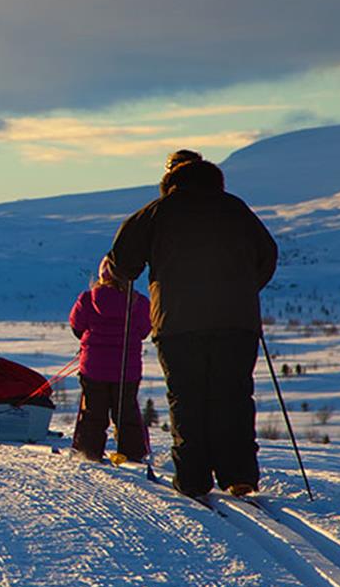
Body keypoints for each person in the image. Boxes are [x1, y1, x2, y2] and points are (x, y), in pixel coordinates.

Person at [106, 149, 277, 498]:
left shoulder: (158, 211)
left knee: (186, 398)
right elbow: (267, 256)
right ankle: (239, 475)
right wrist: (242, 289)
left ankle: (193, 478)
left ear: (170, 178)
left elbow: (122, 263)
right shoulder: (235, 208)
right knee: (233, 396)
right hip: (236, 322)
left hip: (177, 322)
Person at [69, 256, 151, 462]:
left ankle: (88, 453)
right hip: (127, 370)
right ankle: (133, 454)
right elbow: (144, 331)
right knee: (127, 413)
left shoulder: (87, 299)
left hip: (93, 368)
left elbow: (77, 326)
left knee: (93, 413)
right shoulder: (139, 303)